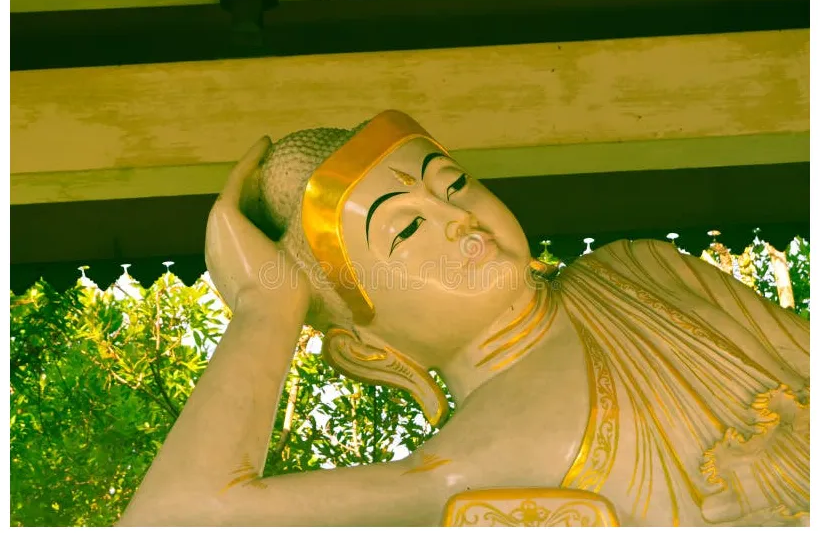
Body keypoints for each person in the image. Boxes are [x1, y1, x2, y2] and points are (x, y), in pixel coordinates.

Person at [119, 111, 809, 527]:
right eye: (406, 230)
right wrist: (267, 305)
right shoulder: (467, 464)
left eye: (450, 184)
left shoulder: (638, 272)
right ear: (366, 347)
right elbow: (175, 520)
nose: (457, 219)